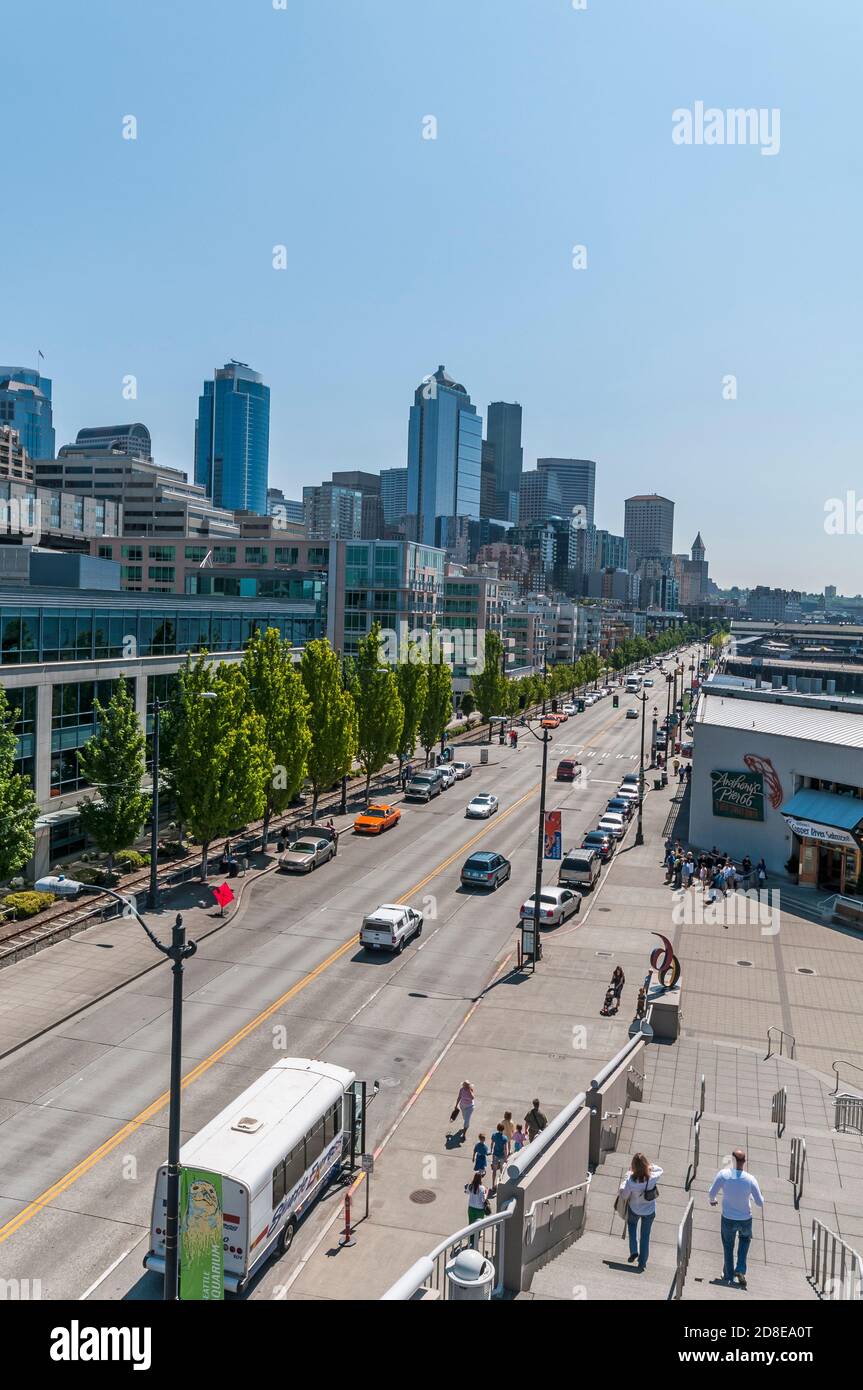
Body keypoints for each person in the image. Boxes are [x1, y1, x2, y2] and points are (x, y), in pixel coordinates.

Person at [708, 1148, 764, 1288]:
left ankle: (728, 1275)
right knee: (744, 1241)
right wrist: (752, 1196)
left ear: (732, 1160)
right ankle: (740, 1269)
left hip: (728, 1217)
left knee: (728, 1245)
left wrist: (713, 1200)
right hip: (745, 1218)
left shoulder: (724, 1175)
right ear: (744, 1162)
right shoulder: (750, 1179)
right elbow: (760, 1202)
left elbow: (711, 1192)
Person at [618, 1152, 664, 1271]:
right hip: (649, 1211)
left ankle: (634, 1250)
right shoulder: (653, 1177)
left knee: (632, 1225)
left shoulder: (631, 1181)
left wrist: (624, 1181)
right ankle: (642, 1263)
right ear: (645, 1164)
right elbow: (660, 1169)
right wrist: (650, 1166)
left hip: (635, 1209)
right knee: (645, 1236)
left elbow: (624, 1195)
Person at [489, 1123, 509, 1191]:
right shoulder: (504, 1138)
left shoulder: (494, 1135)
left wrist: (491, 1150)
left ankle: (493, 1185)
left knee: (494, 1170)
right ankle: (500, 1184)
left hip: (495, 1155)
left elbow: (492, 1143)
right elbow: (505, 1149)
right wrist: (506, 1158)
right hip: (502, 1155)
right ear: (503, 1129)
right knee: (501, 1170)